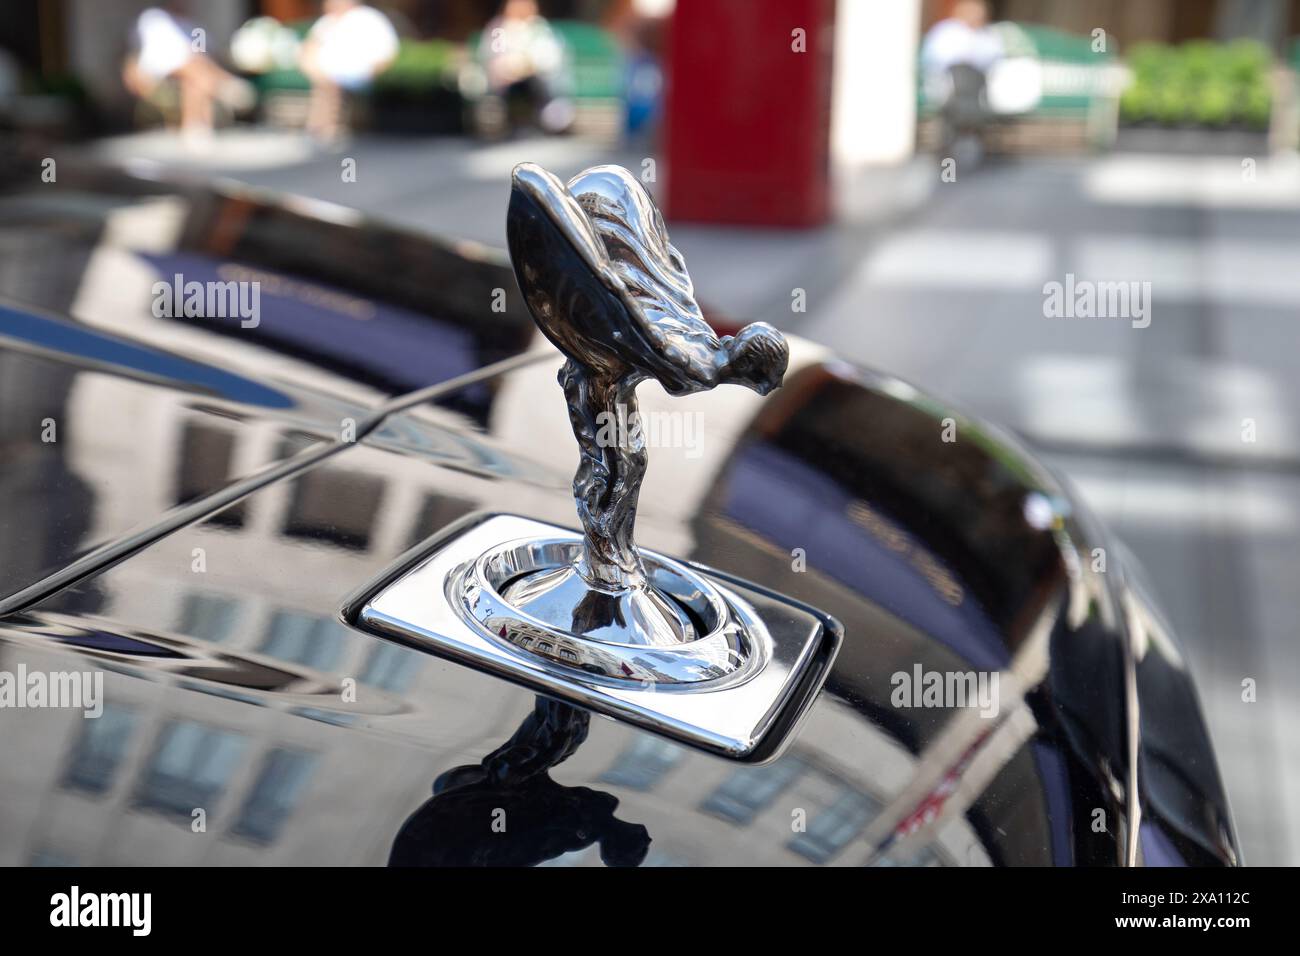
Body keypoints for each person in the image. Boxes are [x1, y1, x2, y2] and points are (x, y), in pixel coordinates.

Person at [122, 5, 253, 142]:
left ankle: (195, 128)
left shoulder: (194, 26)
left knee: (198, 77)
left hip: (188, 70)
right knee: (195, 68)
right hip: (157, 72)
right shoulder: (154, 17)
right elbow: (138, 49)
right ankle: (225, 84)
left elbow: (205, 52)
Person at [299, 0, 399, 143]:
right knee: (326, 82)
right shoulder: (327, 22)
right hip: (326, 74)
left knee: (329, 84)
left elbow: (387, 52)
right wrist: (312, 67)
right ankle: (321, 127)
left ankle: (324, 127)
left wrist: (373, 72)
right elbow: (309, 47)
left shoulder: (369, 18)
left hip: (360, 75)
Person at [920, 0, 1004, 156]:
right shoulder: (946, 32)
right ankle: (948, 164)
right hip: (948, 89)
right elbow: (933, 59)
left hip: (976, 93)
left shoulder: (987, 35)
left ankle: (971, 145)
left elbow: (995, 59)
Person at [476, 0, 572, 135]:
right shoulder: (499, 29)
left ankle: (546, 120)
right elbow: (492, 56)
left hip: (536, 79)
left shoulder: (540, 28)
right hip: (504, 81)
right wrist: (506, 68)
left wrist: (527, 66)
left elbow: (549, 59)